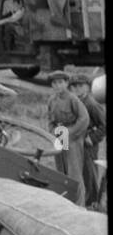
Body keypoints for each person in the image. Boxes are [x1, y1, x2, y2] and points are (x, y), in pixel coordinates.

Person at [46, 70, 89, 206]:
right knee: (61, 169)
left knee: (74, 172)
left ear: (66, 83)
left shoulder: (73, 99)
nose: (57, 86)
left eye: (60, 82)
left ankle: (79, 205)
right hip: (59, 136)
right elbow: (50, 120)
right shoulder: (52, 100)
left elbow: (84, 118)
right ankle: (65, 202)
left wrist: (70, 133)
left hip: (72, 138)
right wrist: (53, 132)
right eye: (54, 83)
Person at [70, 74, 103, 207]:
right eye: (74, 86)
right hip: (74, 141)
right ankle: (79, 199)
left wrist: (92, 138)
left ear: (88, 88)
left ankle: (92, 202)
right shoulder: (73, 101)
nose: (77, 89)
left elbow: (104, 124)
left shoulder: (92, 104)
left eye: (80, 86)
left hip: (88, 143)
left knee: (89, 173)